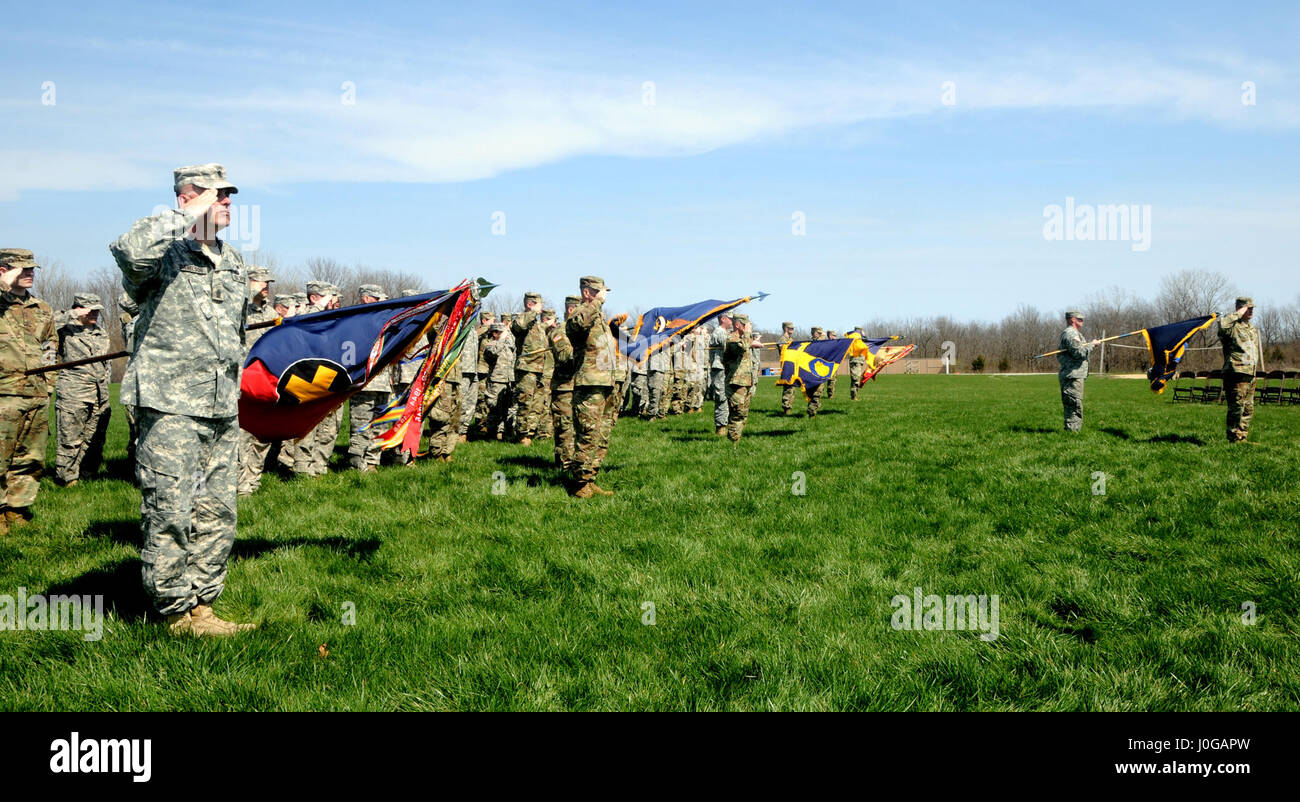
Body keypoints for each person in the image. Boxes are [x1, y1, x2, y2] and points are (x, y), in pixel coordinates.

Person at [109, 162, 255, 636]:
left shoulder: (233, 262)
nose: (228, 201)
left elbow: (234, 335)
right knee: (170, 508)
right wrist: (186, 215)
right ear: (189, 196)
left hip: (219, 405)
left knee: (217, 510)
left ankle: (203, 606)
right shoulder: (162, 254)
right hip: (170, 403)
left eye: (230, 194)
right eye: (218, 194)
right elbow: (129, 251)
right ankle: (172, 612)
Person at [0, 248, 56, 535]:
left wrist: (48, 384)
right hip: (3, 394)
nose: (30, 273)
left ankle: (16, 508)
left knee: (30, 458)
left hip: (35, 394)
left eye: (32, 269)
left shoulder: (42, 309)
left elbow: (50, 348)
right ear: (4, 270)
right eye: (23, 269)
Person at [54, 293, 112, 486]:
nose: (95, 314)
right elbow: (45, 323)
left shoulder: (101, 333)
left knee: (94, 438)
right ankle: (67, 477)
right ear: (79, 309)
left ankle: (88, 473)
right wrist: (73, 314)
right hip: (74, 392)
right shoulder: (65, 329)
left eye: (97, 310)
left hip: (99, 393)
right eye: (91, 310)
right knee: (70, 437)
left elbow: (106, 364)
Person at [566, 276, 616, 498]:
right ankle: (578, 484)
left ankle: (590, 477)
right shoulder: (580, 313)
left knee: (601, 434)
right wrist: (597, 303)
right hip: (589, 383)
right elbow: (577, 325)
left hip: (605, 383)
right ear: (587, 293)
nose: (602, 296)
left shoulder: (599, 317)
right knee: (588, 434)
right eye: (598, 292)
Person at [294, 281, 342, 476]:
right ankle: (302, 469)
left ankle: (319, 466)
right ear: (314, 298)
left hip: (331, 379)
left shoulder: (336, 319)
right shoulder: (305, 316)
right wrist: (320, 308)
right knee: (309, 426)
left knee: (330, 426)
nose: (334, 300)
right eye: (328, 296)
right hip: (310, 379)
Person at [237, 267, 278, 494]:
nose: (267, 286)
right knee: (242, 436)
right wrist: (246, 292)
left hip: (265, 381)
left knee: (261, 436)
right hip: (243, 380)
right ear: (250, 282)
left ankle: (254, 479)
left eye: (268, 283)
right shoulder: (240, 309)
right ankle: (241, 485)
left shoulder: (271, 313)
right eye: (263, 282)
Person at [346, 284, 391, 473]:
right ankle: (357, 462)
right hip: (364, 383)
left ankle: (373, 461)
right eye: (377, 298)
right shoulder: (354, 321)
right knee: (361, 423)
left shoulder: (384, 322)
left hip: (383, 382)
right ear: (365, 299)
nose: (381, 302)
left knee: (380, 424)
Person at [1219, 297, 1264, 443]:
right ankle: (1233, 437)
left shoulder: (1251, 328)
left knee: (1248, 408)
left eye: (1252, 308)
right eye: (1247, 308)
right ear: (1240, 309)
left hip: (1250, 372)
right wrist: (1237, 314)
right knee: (1237, 406)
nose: (1251, 310)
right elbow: (1222, 325)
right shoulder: (1232, 327)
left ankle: (1242, 437)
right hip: (1236, 372)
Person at [511, 292, 548, 445]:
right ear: (530, 304)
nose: (542, 307)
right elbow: (518, 327)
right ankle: (521, 434)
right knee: (525, 403)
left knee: (537, 404)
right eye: (540, 304)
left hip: (540, 369)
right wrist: (532, 312)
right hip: (526, 369)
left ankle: (530, 433)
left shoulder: (538, 326)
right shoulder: (522, 319)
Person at [1057, 310, 1099, 432]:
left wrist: (1089, 344)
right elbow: (1078, 352)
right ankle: (1072, 432)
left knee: (1074, 404)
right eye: (1079, 319)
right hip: (1072, 375)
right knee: (1074, 404)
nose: (1082, 321)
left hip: (1074, 375)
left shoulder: (1075, 333)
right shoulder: (1070, 334)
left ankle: (1073, 431)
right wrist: (1092, 345)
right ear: (1072, 320)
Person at [549, 302, 578, 469]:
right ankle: (564, 466)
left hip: (581, 386)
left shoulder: (582, 332)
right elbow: (564, 357)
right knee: (565, 428)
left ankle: (577, 465)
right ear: (571, 310)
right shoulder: (559, 332)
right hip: (564, 387)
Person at [723, 313, 756, 442]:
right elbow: (741, 348)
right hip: (736, 383)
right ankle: (733, 442)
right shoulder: (732, 338)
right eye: (745, 325)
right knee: (737, 413)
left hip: (745, 382)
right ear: (737, 325)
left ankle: (736, 441)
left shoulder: (743, 339)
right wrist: (748, 334)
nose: (748, 328)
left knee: (744, 414)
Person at [482, 322, 515, 440]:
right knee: (495, 408)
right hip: (496, 380)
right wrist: (501, 339)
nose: (505, 335)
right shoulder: (491, 344)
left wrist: (509, 331)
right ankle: (491, 433)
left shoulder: (506, 345)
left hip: (508, 380)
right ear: (495, 333)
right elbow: (493, 353)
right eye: (501, 332)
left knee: (507, 408)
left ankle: (503, 433)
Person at [119, 291, 141, 467]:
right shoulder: (137, 322)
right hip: (139, 385)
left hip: (140, 385)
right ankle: (136, 469)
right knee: (138, 431)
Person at [709, 313, 732, 434]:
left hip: (725, 368)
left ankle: (725, 424)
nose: (732, 321)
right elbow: (730, 345)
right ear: (723, 319)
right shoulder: (719, 332)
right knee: (721, 397)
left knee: (726, 397)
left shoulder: (725, 332)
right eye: (730, 319)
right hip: (719, 369)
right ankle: (721, 427)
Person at [806, 327, 827, 418]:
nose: (820, 335)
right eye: (818, 333)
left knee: (817, 392)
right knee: (812, 392)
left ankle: (812, 411)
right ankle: (812, 411)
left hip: (819, 370)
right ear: (814, 333)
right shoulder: (809, 343)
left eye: (820, 333)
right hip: (811, 371)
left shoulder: (822, 342)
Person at [778, 322, 796, 414]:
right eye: (791, 328)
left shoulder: (791, 339)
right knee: (788, 387)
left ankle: (789, 405)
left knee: (792, 388)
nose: (793, 330)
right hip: (786, 366)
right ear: (786, 329)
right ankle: (786, 407)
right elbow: (784, 351)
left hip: (792, 365)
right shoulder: (782, 339)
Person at [848, 326, 867, 401]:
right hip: (856, 360)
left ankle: (854, 396)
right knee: (856, 378)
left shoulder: (860, 338)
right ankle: (854, 396)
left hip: (859, 360)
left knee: (856, 378)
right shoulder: (855, 336)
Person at [825, 330, 840, 398]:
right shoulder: (825, 343)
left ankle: (830, 395)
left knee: (832, 380)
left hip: (833, 364)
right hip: (825, 364)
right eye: (834, 335)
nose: (835, 337)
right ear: (830, 336)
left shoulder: (836, 344)